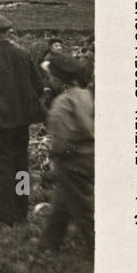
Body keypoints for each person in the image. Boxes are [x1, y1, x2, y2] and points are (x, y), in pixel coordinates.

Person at [0, 11, 46, 228]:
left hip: (0, 124)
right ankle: (21, 211)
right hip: (21, 122)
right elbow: (37, 86)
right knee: (21, 167)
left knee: (3, 169)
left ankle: (3, 216)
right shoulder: (23, 54)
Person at [38, 55, 94, 252]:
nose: (48, 79)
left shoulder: (61, 103)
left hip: (73, 162)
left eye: (50, 76)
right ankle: (48, 244)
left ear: (57, 79)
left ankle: (97, 247)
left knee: (82, 209)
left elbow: (61, 142)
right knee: (62, 203)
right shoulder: (86, 95)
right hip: (90, 156)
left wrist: (54, 158)